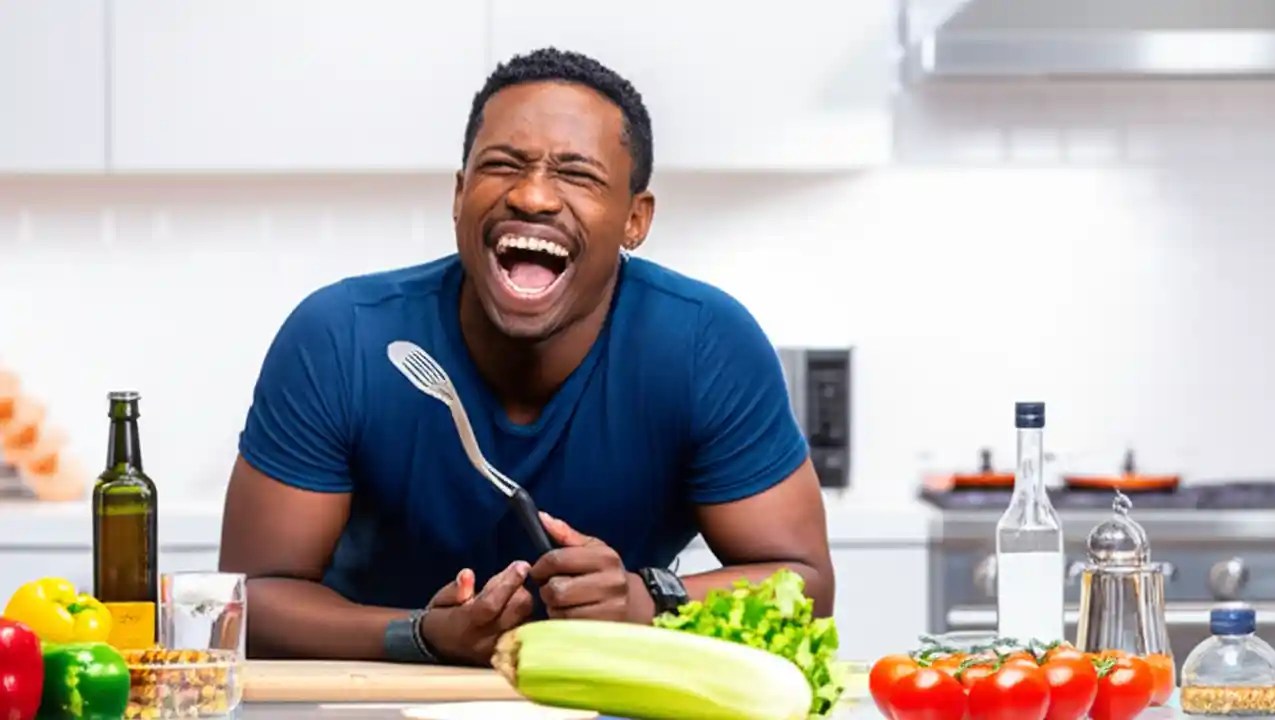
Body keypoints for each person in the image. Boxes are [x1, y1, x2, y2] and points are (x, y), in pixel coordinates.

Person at [218, 47, 835, 666]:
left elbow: (805, 585)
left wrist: (644, 601)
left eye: (578, 174)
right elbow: (251, 602)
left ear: (635, 219)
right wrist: (422, 636)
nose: (534, 196)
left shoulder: (706, 344)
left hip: (614, 696)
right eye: (503, 165)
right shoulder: (341, 336)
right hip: (376, 697)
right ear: (459, 195)